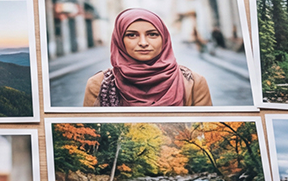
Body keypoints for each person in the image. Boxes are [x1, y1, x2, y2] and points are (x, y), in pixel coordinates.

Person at [80, 8, 213, 108]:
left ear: (164, 39)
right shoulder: (98, 84)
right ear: (119, 40)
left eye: (152, 34)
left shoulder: (194, 83)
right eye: (132, 35)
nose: (143, 43)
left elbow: (205, 131)